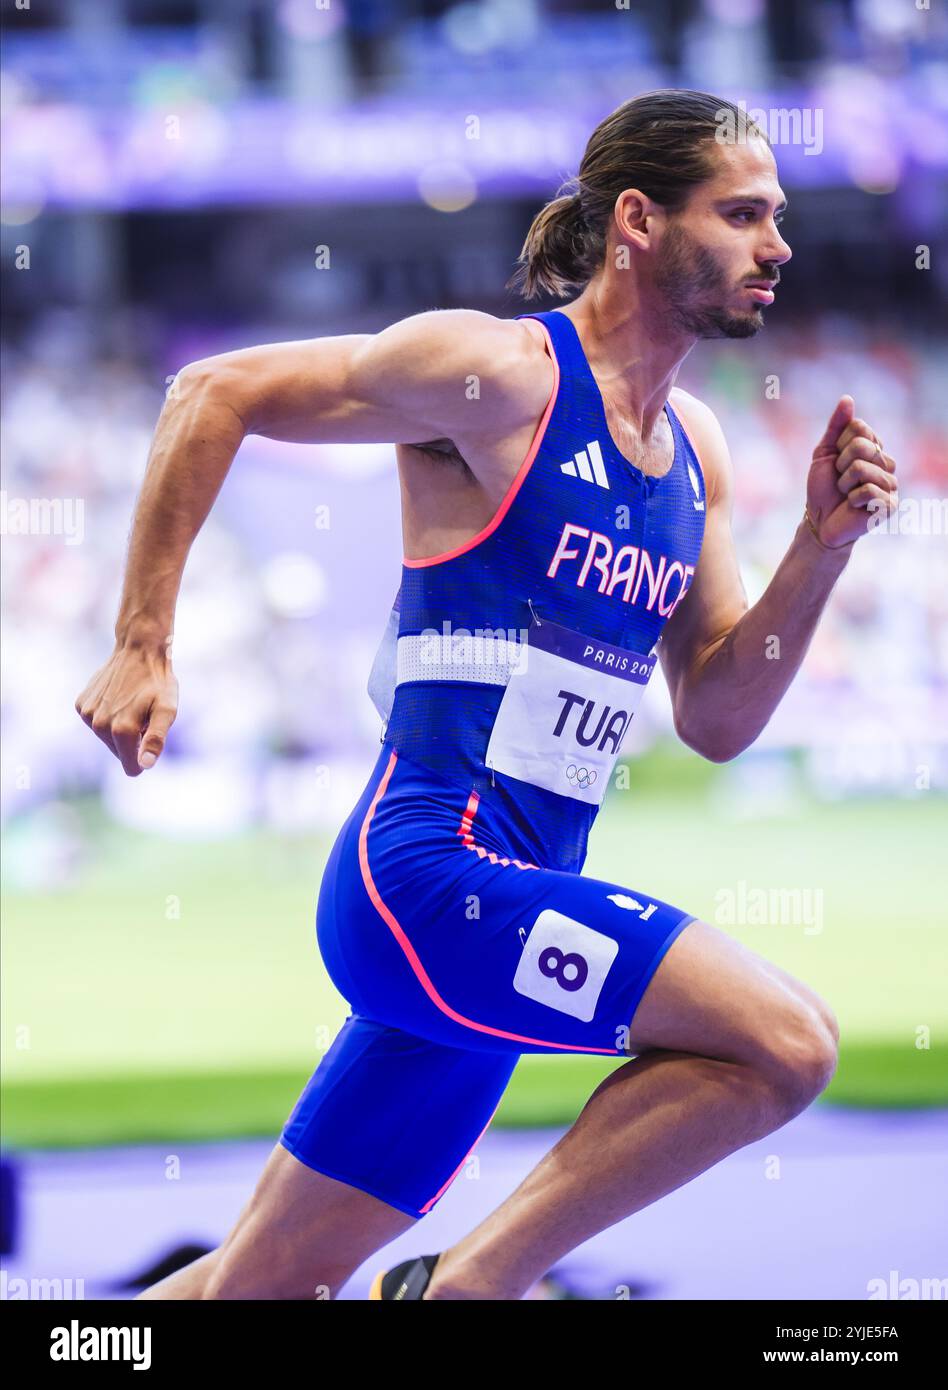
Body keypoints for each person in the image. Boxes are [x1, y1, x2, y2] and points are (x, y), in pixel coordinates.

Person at [75, 90, 898, 1301]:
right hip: (426, 874)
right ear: (637, 221)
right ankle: (464, 1288)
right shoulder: (500, 376)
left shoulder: (697, 453)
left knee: (247, 1289)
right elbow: (212, 390)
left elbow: (721, 717)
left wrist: (820, 550)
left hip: (503, 919)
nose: (780, 244)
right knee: (786, 1044)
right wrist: (144, 641)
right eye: (743, 214)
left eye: (777, 216)